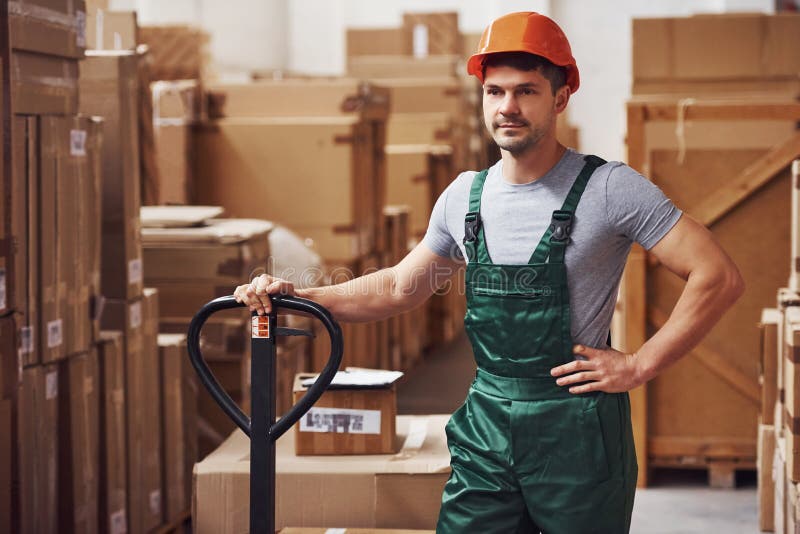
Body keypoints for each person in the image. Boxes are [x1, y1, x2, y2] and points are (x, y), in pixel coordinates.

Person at [234, 11, 744, 534]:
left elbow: (717, 275)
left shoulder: (609, 188)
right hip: (488, 428)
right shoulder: (464, 196)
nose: (508, 108)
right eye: (495, 92)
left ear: (561, 97)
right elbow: (398, 287)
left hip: (578, 436)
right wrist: (302, 295)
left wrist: (639, 365)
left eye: (526, 92)